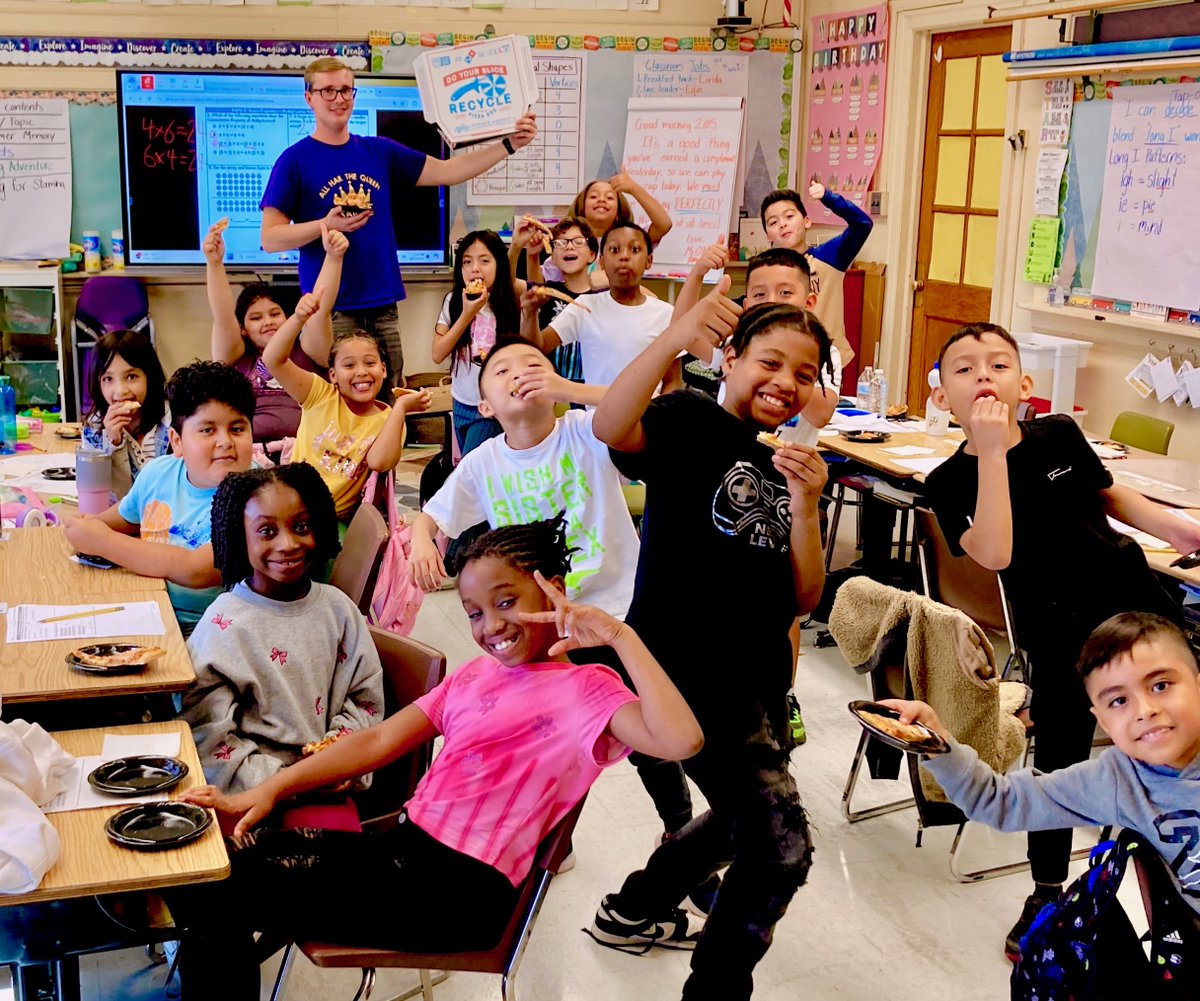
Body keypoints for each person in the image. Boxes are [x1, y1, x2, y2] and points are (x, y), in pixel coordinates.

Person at [175, 516, 703, 1001]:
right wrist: (268, 790)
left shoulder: (588, 689)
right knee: (213, 873)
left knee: (217, 894)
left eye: (506, 601)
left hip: (464, 894)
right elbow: (377, 742)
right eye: (474, 612)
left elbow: (682, 740)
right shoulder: (478, 675)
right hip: (405, 853)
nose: (491, 625)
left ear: (555, 592)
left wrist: (619, 636)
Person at [924, 322, 1200, 959]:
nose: (983, 375)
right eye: (965, 368)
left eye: (998, 365)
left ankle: (1178, 875)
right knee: (1060, 762)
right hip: (1060, 635)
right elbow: (995, 551)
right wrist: (992, 453)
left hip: (1138, 610)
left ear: (1024, 385)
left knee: (1180, 735)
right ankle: (1047, 888)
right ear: (942, 397)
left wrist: (1176, 529)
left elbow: (1105, 495)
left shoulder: (1059, 435)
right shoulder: (949, 481)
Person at [588, 292, 829, 1001]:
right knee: (781, 849)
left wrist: (807, 506)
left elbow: (804, 596)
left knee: (737, 822)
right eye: (770, 362)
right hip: (687, 675)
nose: (785, 382)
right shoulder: (690, 419)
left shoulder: (787, 463)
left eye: (805, 373)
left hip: (759, 681)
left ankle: (634, 906)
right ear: (729, 358)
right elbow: (610, 424)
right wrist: (674, 337)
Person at [883, 611, 1200, 971]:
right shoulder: (1117, 779)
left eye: (1161, 685)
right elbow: (999, 801)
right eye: (1118, 701)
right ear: (1102, 721)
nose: (1146, 710)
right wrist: (939, 745)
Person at [259, 56, 537, 393]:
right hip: (330, 309)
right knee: (340, 402)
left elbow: (449, 171)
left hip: (383, 303)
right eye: (327, 91)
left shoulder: (378, 151)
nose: (339, 99)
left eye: (346, 90)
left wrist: (509, 144)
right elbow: (271, 238)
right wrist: (325, 225)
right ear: (309, 98)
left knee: (388, 399)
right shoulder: (294, 160)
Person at [184, 463, 384, 793]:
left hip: (330, 784)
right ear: (240, 537)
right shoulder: (223, 626)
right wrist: (284, 783)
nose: (288, 543)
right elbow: (207, 735)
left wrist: (338, 759)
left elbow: (364, 700)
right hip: (248, 793)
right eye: (266, 531)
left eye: (301, 527)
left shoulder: (339, 610)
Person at [64, 361, 255, 635]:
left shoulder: (258, 498)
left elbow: (196, 570)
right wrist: (84, 527)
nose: (225, 441)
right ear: (177, 441)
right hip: (149, 608)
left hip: (211, 632)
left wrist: (102, 542)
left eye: (237, 429)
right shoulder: (158, 474)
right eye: (207, 430)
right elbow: (117, 521)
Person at [263, 287, 430, 525]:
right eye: (349, 365)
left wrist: (401, 408)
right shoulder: (319, 394)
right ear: (333, 374)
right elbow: (273, 359)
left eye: (370, 363)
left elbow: (379, 462)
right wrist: (298, 319)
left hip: (333, 522)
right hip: (289, 505)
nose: (361, 372)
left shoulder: (390, 420)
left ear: (383, 369)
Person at [205, 219, 347, 447]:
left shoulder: (309, 351)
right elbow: (223, 315)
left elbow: (321, 310)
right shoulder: (236, 357)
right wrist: (214, 263)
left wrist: (333, 257)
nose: (268, 322)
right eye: (256, 318)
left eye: (275, 313)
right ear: (242, 329)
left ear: (288, 317)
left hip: (309, 451)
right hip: (252, 453)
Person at [522, 221, 677, 393]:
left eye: (634, 249)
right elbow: (537, 346)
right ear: (602, 262)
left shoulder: (666, 314)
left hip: (650, 409)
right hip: (594, 410)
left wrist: (660, 409)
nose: (624, 256)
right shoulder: (585, 307)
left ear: (649, 260)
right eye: (614, 250)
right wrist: (530, 313)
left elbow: (673, 381)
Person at [761, 180, 874, 368]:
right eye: (773, 222)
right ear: (767, 235)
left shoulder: (829, 257)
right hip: (782, 361)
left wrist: (829, 197)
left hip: (827, 361)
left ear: (806, 221)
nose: (782, 224)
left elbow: (863, 224)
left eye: (789, 216)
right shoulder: (765, 271)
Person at [432, 230, 524, 456]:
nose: (475, 269)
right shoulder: (453, 300)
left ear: (499, 264)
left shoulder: (512, 302)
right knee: (478, 468)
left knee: (470, 468)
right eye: (467, 262)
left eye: (484, 261)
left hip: (494, 406)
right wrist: (467, 314)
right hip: (461, 401)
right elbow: (437, 353)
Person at [81, 327, 170, 499]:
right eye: (108, 379)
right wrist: (114, 443)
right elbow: (111, 499)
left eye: (131, 377)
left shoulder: (174, 420)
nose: (120, 391)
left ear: (149, 377)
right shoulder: (94, 428)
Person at [521, 216, 599, 385]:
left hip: (593, 389)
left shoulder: (603, 297)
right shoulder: (547, 293)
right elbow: (532, 347)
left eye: (578, 241)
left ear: (592, 254)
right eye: (561, 243)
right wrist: (530, 254)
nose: (569, 246)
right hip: (551, 387)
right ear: (553, 258)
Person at [571, 172, 673, 250]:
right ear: (582, 208)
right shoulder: (568, 240)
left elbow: (664, 225)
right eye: (593, 196)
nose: (601, 200)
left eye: (609, 197)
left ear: (619, 212)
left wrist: (634, 189)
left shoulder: (632, 236)